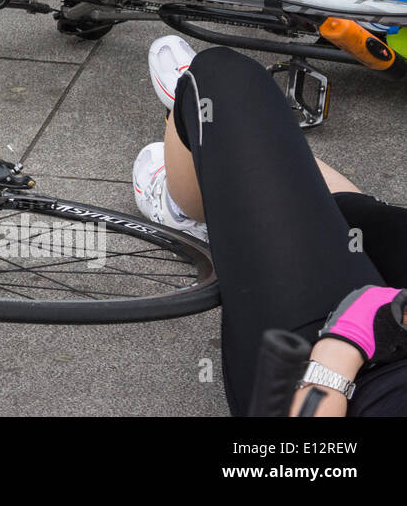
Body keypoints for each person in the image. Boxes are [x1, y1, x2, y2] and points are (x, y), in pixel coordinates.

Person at [134, 36, 407, 415]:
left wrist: (333, 365)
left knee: (221, 80)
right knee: (370, 223)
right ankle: (221, 160)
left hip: (341, 381)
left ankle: (192, 196)